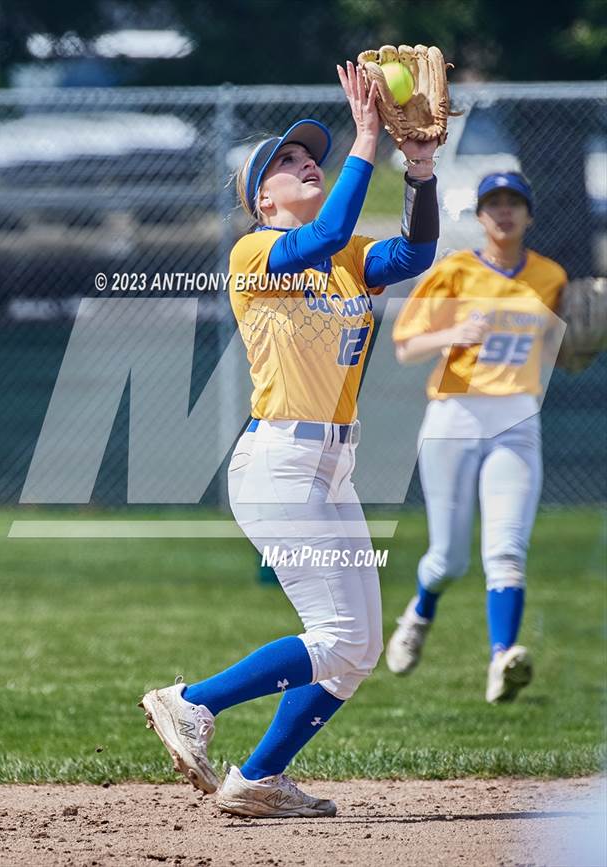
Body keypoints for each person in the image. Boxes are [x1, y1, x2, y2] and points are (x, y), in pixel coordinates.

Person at [140, 61, 440, 818]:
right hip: (278, 460)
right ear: (260, 198)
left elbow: (412, 254)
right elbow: (333, 225)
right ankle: (190, 701)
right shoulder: (253, 256)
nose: (308, 161)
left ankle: (257, 777)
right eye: (288, 161)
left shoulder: (345, 258)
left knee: (355, 650)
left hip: (331, 467)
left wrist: (422, 169)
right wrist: (368, 138)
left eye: (313, 155)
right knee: (337, 634)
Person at [386, 171, 567, 703]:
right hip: (454, 417)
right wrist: (452, 334)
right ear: (480, 214)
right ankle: (419, 612)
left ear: (529, 214)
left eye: (514, 202)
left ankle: (501, 658)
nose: (504, 211)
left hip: (516, 418)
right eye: (494, 203)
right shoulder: (457, 270)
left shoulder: (550, 276)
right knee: (448, 560)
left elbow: (558, 351)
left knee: (507, 550)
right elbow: (405, 345)